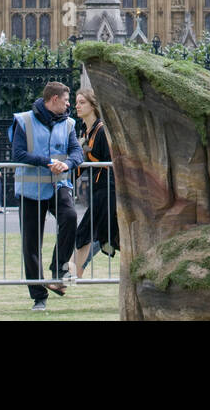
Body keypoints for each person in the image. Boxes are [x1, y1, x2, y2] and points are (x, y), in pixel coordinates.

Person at [11, 81, 84, 311]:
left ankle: (59, 269)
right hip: (30, 191)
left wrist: (67, 164)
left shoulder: (69, 123)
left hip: (58, 185)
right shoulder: (24, 120)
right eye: (65, 100)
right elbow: (18, 153)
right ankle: (38, 296)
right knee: (31, 245)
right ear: (53, 99)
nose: (68, 104)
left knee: (70, 217)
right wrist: (47, 162)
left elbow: (77, 152)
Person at [73, 89, 119, 279]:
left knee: (85, 232)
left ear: (93, 106)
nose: (77, 105)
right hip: (100, 188)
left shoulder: (101, 130)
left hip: (108, 189)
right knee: (107, 235)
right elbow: (83, 164)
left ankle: (72, 275)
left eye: (82, 102)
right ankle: (75, 273)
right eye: (76, 102)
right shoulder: (86, 131)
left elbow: (110, 162)